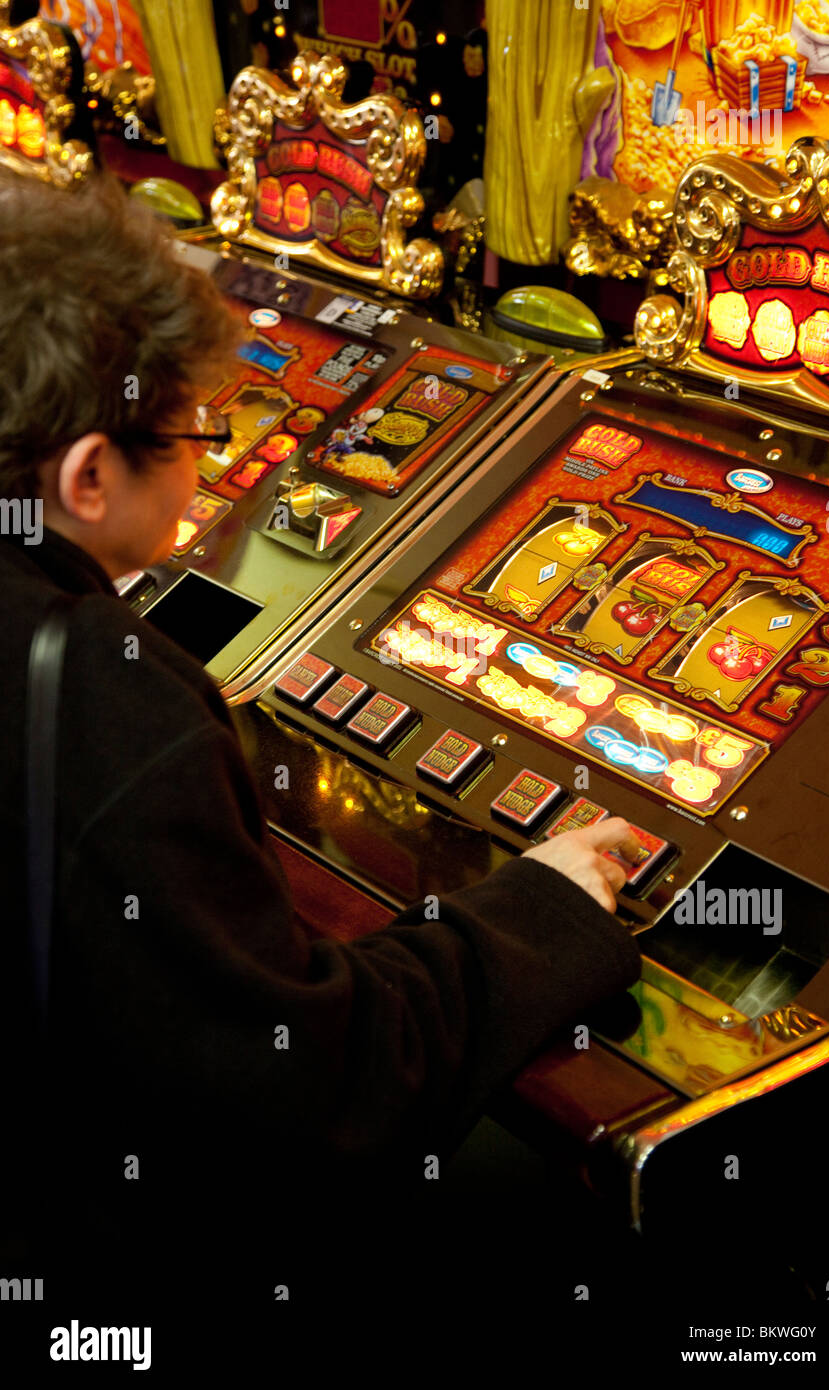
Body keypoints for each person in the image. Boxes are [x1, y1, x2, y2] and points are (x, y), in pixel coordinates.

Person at [0, 170, 641, 1320]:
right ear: (87, 476)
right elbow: (306, 1091)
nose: (211, 469)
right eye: (198, 435)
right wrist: (537, 912)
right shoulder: (94, 691)